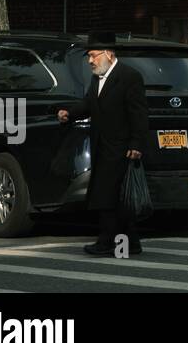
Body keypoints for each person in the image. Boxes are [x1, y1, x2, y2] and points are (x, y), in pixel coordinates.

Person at [56, 31, 149, 256]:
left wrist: (136, 143)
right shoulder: (97, 78)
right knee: (113, 197)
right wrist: (69, 112)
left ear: (108, 53)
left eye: (94, 56)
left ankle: (106, 241)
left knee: (108, 197)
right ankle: (131, 242)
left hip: (121, 148)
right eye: (89, 56)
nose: (90, 61)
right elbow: (90, 102)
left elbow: (139, 114)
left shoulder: (129, 77)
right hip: (101, 145)